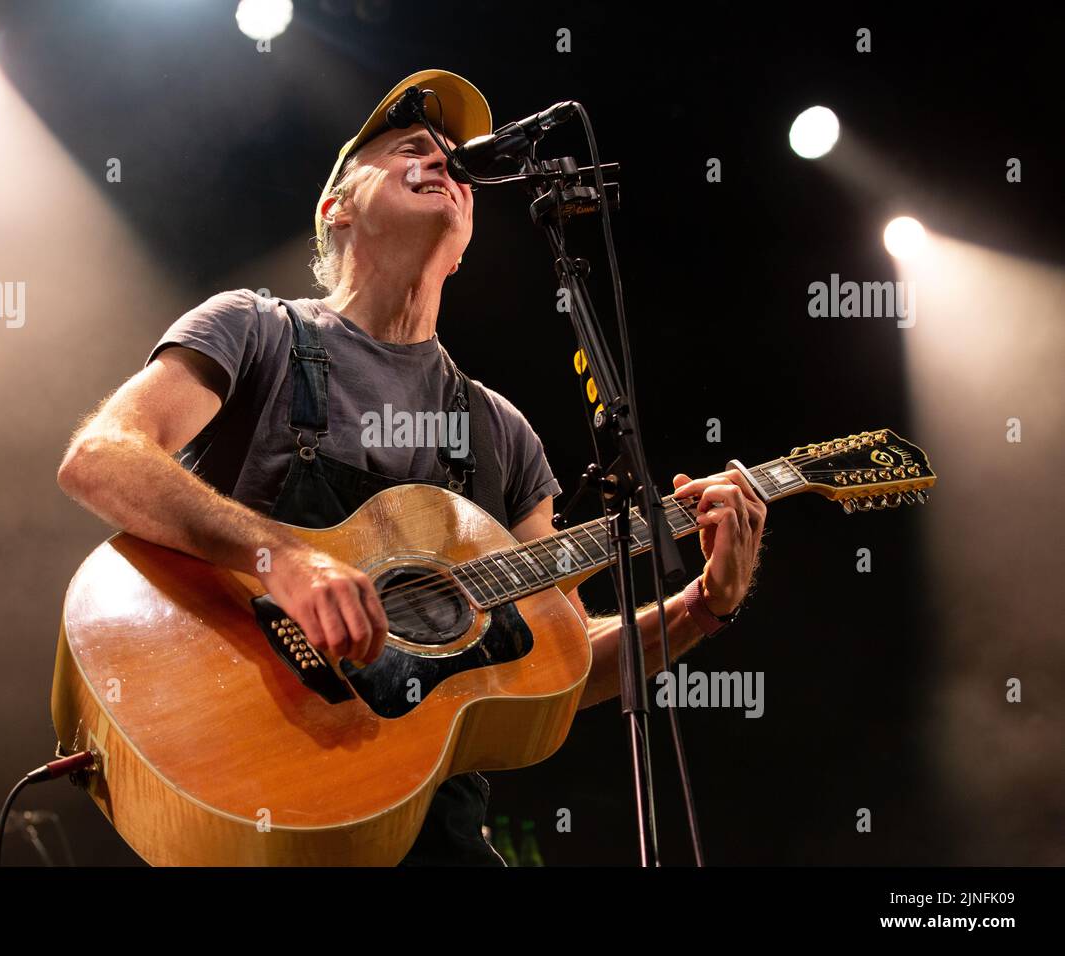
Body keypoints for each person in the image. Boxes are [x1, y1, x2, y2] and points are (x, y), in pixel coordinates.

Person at [56, 69, 766, 866]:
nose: (446, 165)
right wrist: (282, 558)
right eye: (410, 149)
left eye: (458, 161)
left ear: (464, 244)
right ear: (338, 209)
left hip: (433, 823)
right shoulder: (254, 331)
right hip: (257, 788)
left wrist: (703, 606)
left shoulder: (501, 433)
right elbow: (102, 457)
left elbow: (564, 657)